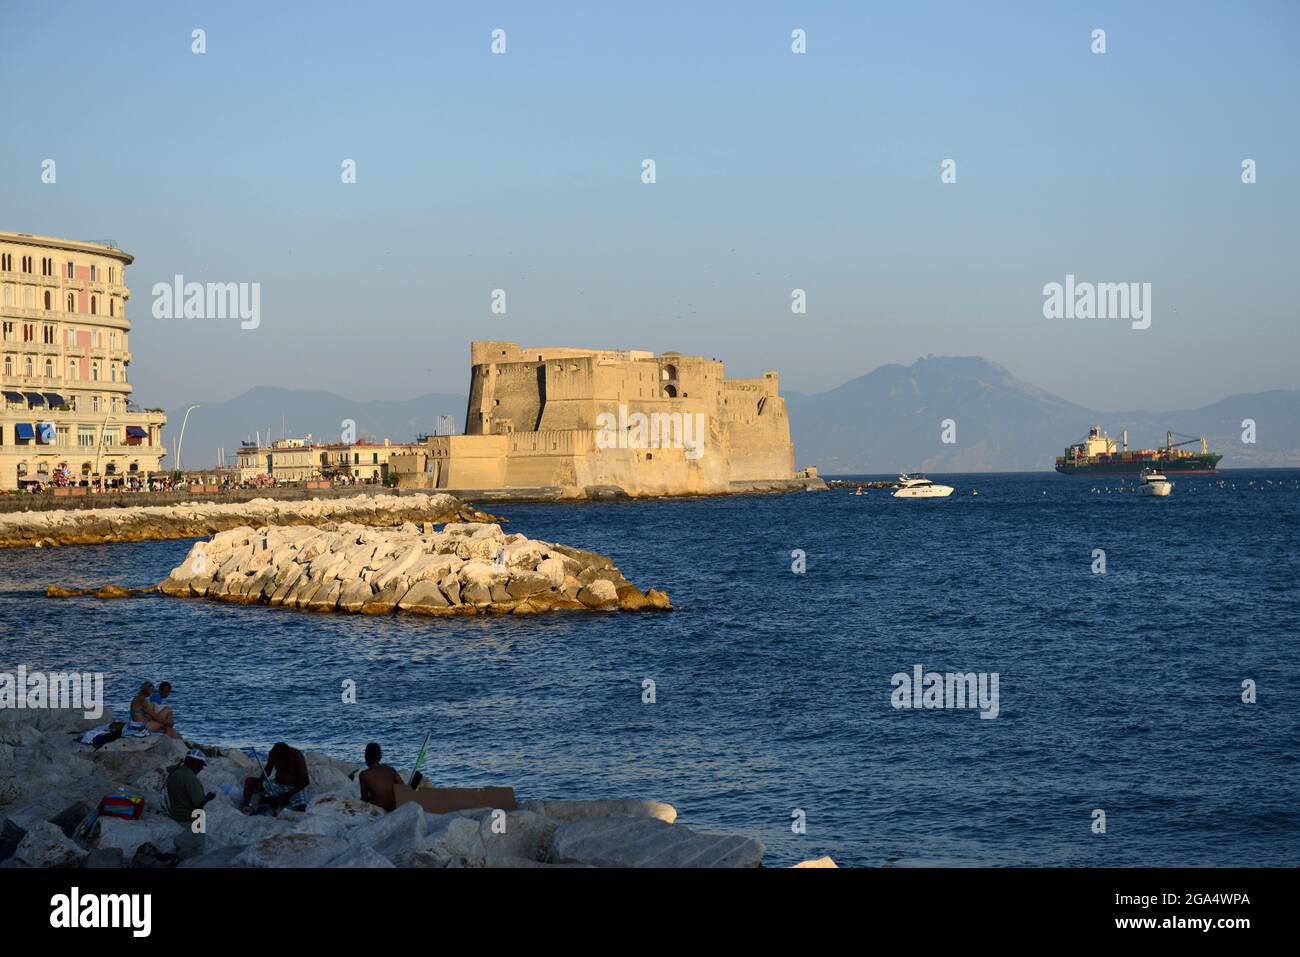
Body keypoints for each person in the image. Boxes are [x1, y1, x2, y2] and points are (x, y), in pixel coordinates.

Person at [241, 742, 310, 815]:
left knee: (302, 809)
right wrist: (262, 779)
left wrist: (287, 795)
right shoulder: (274, 754)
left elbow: (305, 781)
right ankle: (246, 805)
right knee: (250, 781)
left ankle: (272, 800)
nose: (279, 765)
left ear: (286, 755)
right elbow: (268, 769)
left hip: (293, 789)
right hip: (277, 785)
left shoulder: (297, 756)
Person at [166, 749, 215, 825]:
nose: (201, 768)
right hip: (189, 820)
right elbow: (198, 804)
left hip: (174, 816)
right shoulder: (191, 779)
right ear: (192, 762)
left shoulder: (175, 773)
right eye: (200, 764)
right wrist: (208, 798)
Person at [358, 743, 404, 813]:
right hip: (393, 810)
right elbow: (403, 788)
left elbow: (364, 799)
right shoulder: (391, 770)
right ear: (380, 757)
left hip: (379, 811)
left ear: (365, 757)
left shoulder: (364, 775)